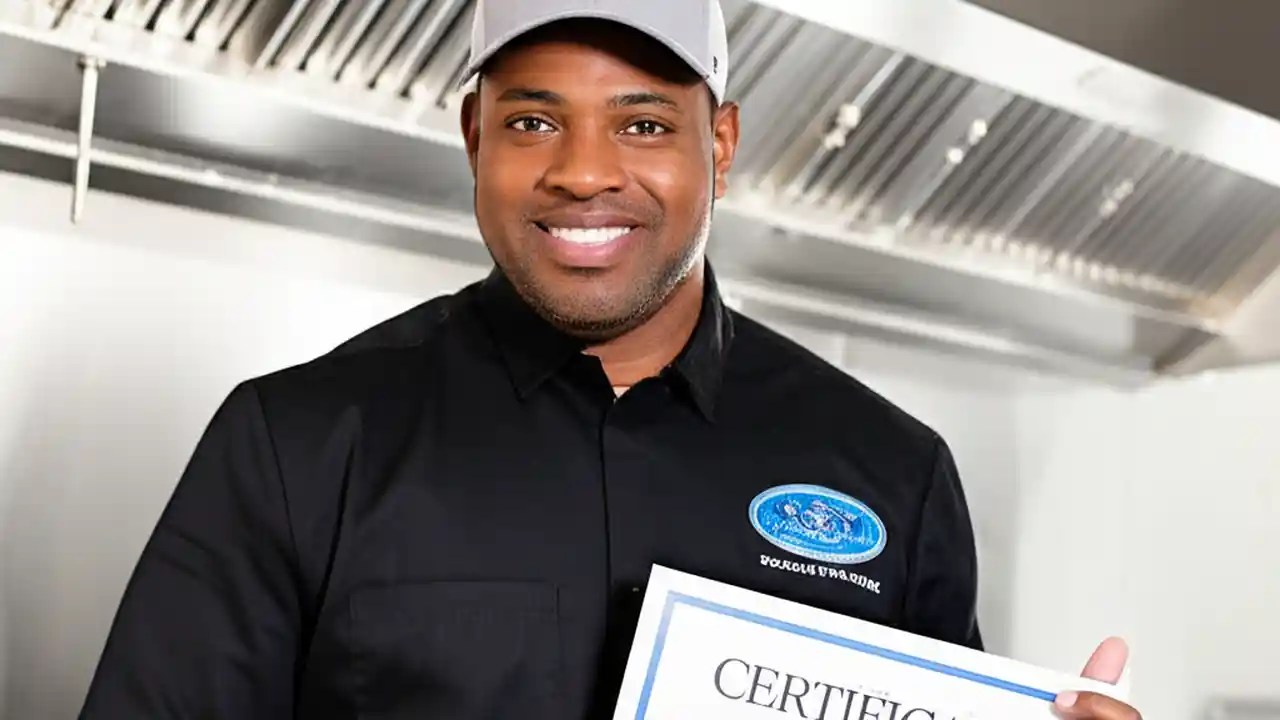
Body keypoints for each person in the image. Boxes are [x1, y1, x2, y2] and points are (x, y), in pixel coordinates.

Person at [78, 1, 1143, 718]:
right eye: (535, 118)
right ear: (473, 136)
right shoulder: (299, 445)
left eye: (640, 123)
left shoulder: (890, 474)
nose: (583, 172)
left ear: (717, 146)